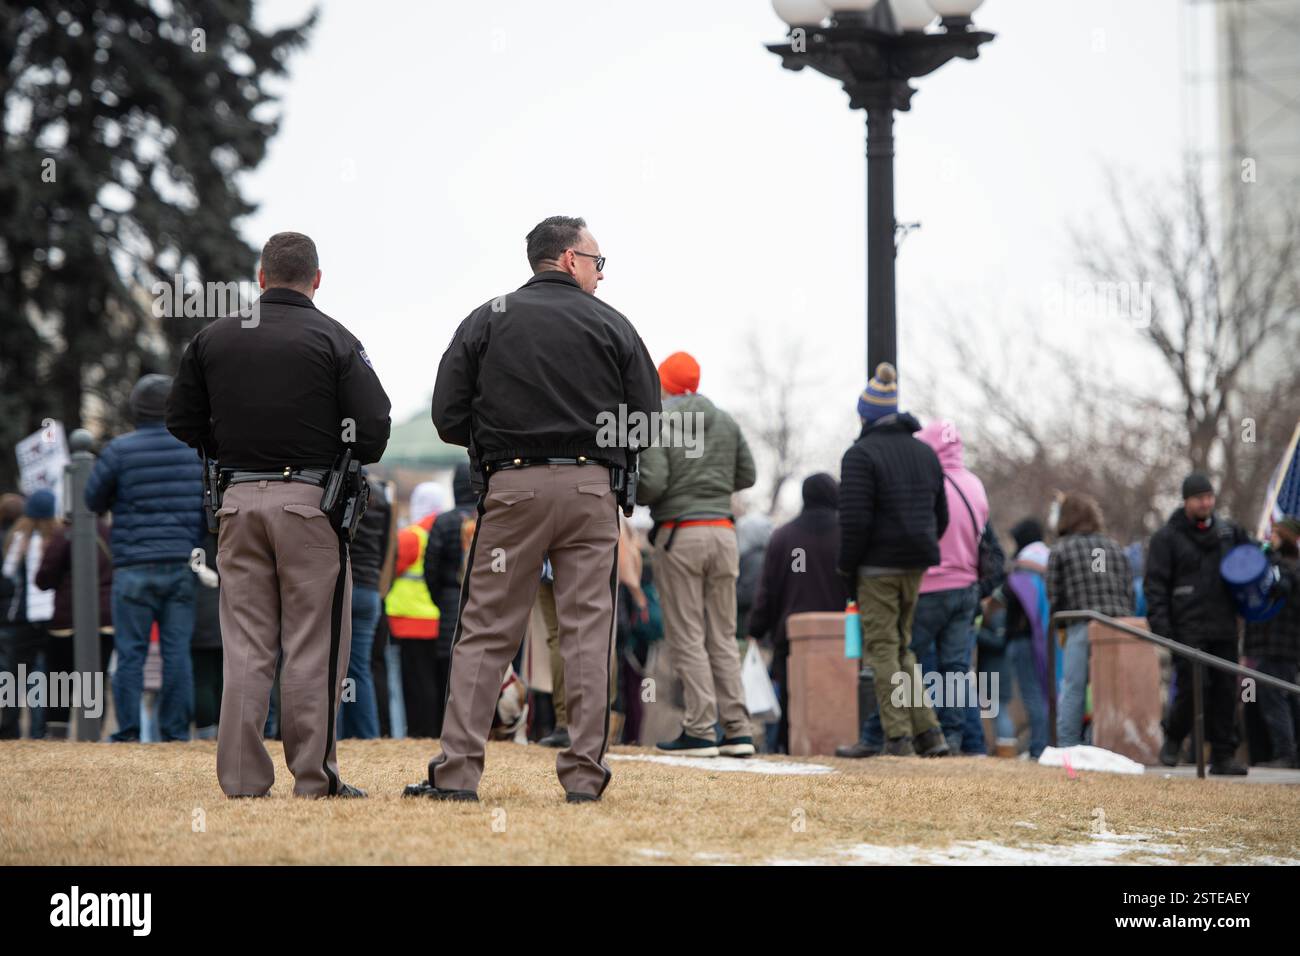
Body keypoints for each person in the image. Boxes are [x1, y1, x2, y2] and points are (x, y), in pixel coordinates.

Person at [406, 215, 659, 803]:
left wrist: (497, 441)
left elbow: (448, 414)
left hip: (511, 488)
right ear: (570, 259)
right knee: (588, 635)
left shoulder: (487, 318)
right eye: (598, 262)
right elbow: (645, 419)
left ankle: (458, 774)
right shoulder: (613, 325)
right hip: (591, 492)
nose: (601, 274)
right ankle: (584, 780)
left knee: (486, 632)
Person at [166, 231, 392, 798]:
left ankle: (242, 778)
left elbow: (180, 420)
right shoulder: (336, 339)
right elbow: (374, 431)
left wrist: (229, 445)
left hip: (237, 503)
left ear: (260, 277)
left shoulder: (213, 337)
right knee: (313, 644)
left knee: (245, 644)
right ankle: (313, 778)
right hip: (310, 505)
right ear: (317, 280)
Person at [637, 350, 758, 757]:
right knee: (723, 634)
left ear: (664, 384)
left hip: (680, 534)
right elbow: (749, 475)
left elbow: (652, 484)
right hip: (724, 534)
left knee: (687, 634)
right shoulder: (724, 420)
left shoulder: (660, 420)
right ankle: (739, 730)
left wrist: (630, 491)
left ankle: (700, 729)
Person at [835, 363, 949, 758]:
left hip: (877, 567)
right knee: (903, 647)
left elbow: (854, 523)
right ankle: (929, 734)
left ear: (865, 416)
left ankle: (898, 737)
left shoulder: (859, 455)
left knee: (882, 648)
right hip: (916, 564)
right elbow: (942, 516)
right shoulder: (926, 454)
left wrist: (847, 567)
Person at [86, 374, 204, 742]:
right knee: (177, 652)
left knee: (131, 653)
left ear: (135, 409)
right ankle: (173, 732)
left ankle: (128, 731)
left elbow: (92, 500)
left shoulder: (120, 450)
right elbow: (209, 508)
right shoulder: (195, 451)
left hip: (132, 565)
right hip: (181, 563)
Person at [1146, 473, 1250, 775]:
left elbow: (1252, 562)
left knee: (1224, 692)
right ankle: (1175, 737)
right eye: (1199, 497)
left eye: (1209, 496)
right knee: (1193, 689)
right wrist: (1162, 628)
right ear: (1187, 501)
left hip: (1224, 627)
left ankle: (1223, 754)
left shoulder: (1230, 533)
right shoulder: (1167, 538)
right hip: (1185, 629)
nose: (1206, 502)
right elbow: (1156, 588)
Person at [746, 473, 843, 754]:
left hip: (790, 638)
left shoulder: (784, 536)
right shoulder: (847, 532)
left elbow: (768, 590)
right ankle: (838, 746)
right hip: (841, 637)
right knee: (838, 696)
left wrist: (756, 628)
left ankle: (790, 749)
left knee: (794, 700)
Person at [1046, 492, 1134, 749]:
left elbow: (1053, 596)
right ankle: (1111, 743)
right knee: (1111, 689)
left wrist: (1060, 626)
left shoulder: (1061, 549)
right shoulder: (1115, 548)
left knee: (1074, 688)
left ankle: (1068, 746)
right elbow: (1129, 591)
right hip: (1118, 626)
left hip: (1080, 624)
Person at [34, 511, 116, 738]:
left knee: (60, 679)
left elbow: (44, 578)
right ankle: (93, 734)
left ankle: (58, 732)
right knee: (96, 680)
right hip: (105, 617)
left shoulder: (65, 534)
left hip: (67, 618)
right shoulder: (111, 533)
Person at [420, 461, 477, 740]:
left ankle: (448, 730)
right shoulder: (487, 519)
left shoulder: (443, 522)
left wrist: (441, 599)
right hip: (482, 604)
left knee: (447, 673)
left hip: (449, 603)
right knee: (479, 667)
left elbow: (429, 567)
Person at [388, 481, 444, 738]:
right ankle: (435, 731)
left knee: (415, 684)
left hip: (409, 621)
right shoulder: (450, 529)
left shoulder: (411, 536)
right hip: (438, 620)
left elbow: (389, 571)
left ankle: (420, 733)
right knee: (435, 682)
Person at [337, 469, 390, 740]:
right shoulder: (381, 496)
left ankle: (337, 736)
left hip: (341, 586)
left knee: (333, 667)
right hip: (369, 589)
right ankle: (367, 737)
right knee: (360, 668)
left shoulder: (336, 484)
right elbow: (385, 547)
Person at [1, 490, 59, 738]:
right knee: (43, 675)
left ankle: (9, 730)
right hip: (49, 617)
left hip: (19, 617)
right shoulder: (57, 537)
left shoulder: (18, 537)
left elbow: (8, 575)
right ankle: (39, 730)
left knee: (12, 677)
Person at [1244, 517, 1300, 767]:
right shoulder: (1272, 564)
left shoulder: (1290, 566)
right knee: (1257, 699)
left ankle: (1285, 753)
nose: (1270, 539)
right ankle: (1271, 752)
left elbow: (1283, 589)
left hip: (1281, 645)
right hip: (1262, 645)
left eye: (1275, 535)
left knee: (1274, 697)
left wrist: (1271, 561)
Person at [996, 517, 1052, 758]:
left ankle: (1039, 748)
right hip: (1047, 640)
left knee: (1032, 695)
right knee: (1044, 692)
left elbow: (1004, 596)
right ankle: (1044, 743)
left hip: (1022, 640)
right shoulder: (1050, 560)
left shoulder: (1023, 566)